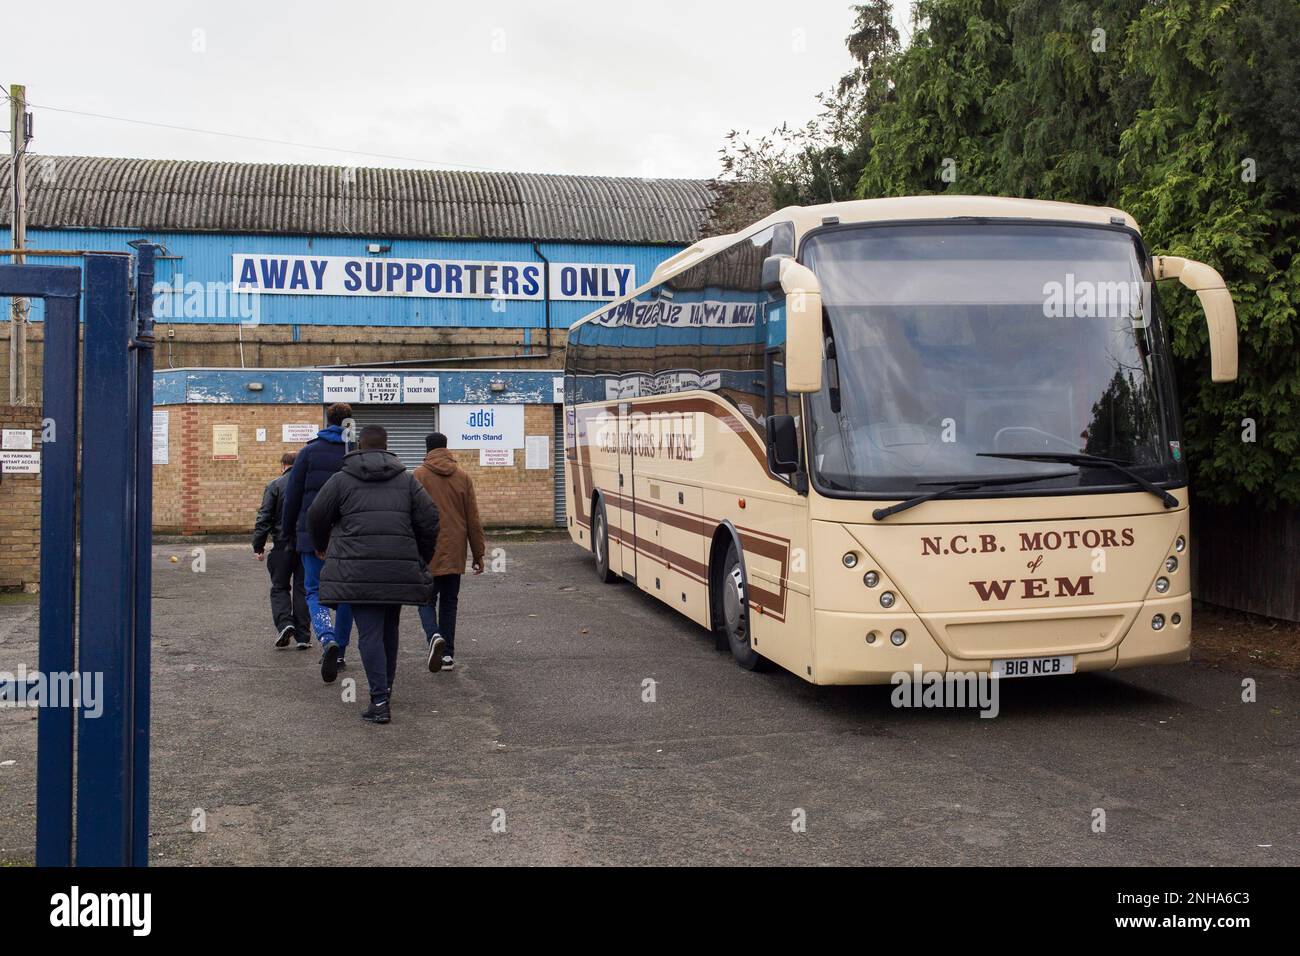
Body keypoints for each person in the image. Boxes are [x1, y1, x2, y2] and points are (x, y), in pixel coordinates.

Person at [307, 425, 440, 723]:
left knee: (369, 633)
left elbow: (316, 514)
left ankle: (380, 702)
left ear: (358, 446)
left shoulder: (341, 481)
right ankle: (385, 693)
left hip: (356, 570)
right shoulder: (406, 481)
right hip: (397, 568)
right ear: (387, 446)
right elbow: (430, 518)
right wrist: (420, 555)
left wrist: (321, 546)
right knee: (389, 631)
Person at [283, 402, 355, 679]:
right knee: (347, 593)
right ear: (350, 421)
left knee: (313, 590)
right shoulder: (356, 452)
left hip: (312, 536)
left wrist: (288, 532)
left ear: (328, 420)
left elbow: (293, 495)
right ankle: (342, 649)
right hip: (348, 537)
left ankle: (327, 639)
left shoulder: (309, 452)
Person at [412, 432, 485, 673]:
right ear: (446, 448)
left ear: (427, 449)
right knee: (449, 603)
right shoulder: (463, 477)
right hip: (454, 551)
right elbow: (473, 519)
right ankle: (447, 656)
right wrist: (478, 553)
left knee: (425, 599)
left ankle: (433, 636)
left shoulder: (418, 476)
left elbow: (409, 516)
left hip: (426, 550)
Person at [252, 451, 311, 649]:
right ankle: (303, 636)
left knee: (279, 587)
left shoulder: (274, 485)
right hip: (305, 545)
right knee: (303, 589)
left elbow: (264, 517)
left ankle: (285, 624)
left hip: (282, 544)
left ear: (283, 465)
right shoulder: (308, 486)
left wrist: (258, 546)